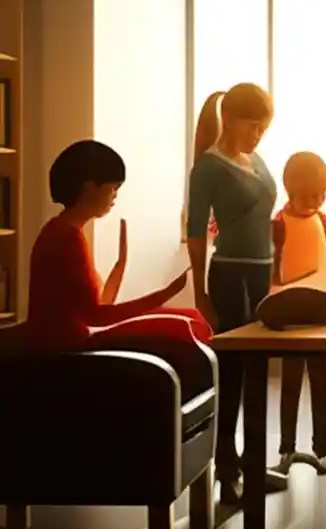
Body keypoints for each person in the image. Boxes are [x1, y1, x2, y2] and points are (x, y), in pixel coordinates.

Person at [22, 140, 209, 401]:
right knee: (186, 325)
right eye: (113, 188)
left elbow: (95, 305)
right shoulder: (65, 237)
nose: (115, 196)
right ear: (90, 187)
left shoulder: (62, 230)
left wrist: (121, 265)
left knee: (189, 316)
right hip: (67, 348)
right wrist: (164, 294)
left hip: (74, 338)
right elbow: (96, 316)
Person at [185, 82, 286, 505]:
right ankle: (225, 470)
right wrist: (200, 292)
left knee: (259, 372)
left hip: (262, 276)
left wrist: (279, 277)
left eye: (264, 127)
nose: (259, 134)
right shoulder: (208, 167)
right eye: (253, 124)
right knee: (232, 373)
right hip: (229, 277)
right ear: (230, 119)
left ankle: (252, 460)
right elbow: (195, 233)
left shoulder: (258, 160)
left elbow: (268, 223)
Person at [269, 151, 326, 477]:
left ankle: (321, 448)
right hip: (293, 310)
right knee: (291, 382)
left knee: (319, 380)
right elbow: (274, 267)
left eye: (321, 195)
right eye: (309, 195)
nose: (316, 201)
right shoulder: (279, 224)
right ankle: (286, 448)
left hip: (319, 307)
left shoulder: (322, 220)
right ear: (290, 190)